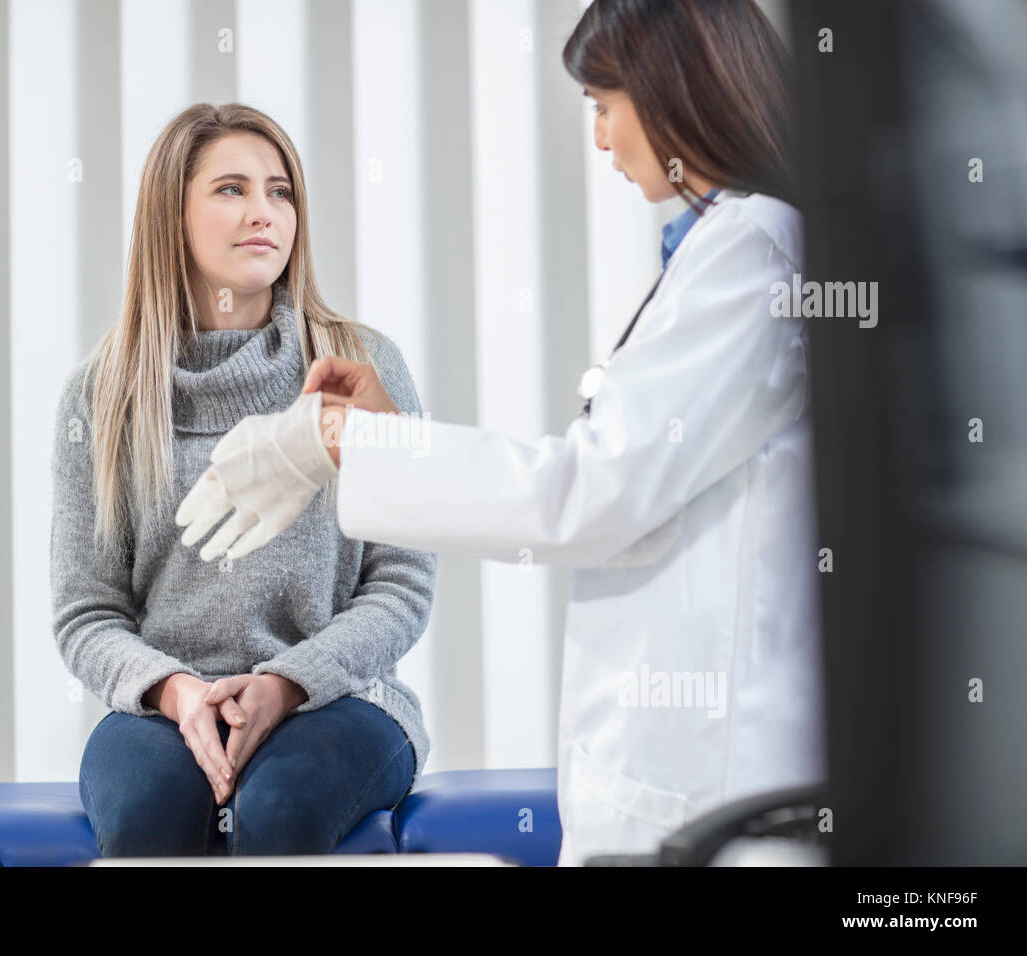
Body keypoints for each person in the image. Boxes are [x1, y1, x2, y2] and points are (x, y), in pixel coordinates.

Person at [176, 0, 825, 866]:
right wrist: (384, 439)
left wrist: (338, 439)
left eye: (604, 104)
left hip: (712, 773)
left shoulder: (755, 258)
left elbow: (588, 493)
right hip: (675, 766)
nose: (600, 141)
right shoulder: (720, 254)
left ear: (675, 90)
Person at [51, 102, 436, 857]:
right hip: (164, 707)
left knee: (284, 809)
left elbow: (403, 585)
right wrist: (177, 692)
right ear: (173, 216)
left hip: (341, 698)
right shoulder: (102, 394)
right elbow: (85, 611)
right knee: (145, 811)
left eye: (280, 191)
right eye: (231, 189)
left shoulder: (359, 368)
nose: (264, 212)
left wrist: (286, 682)